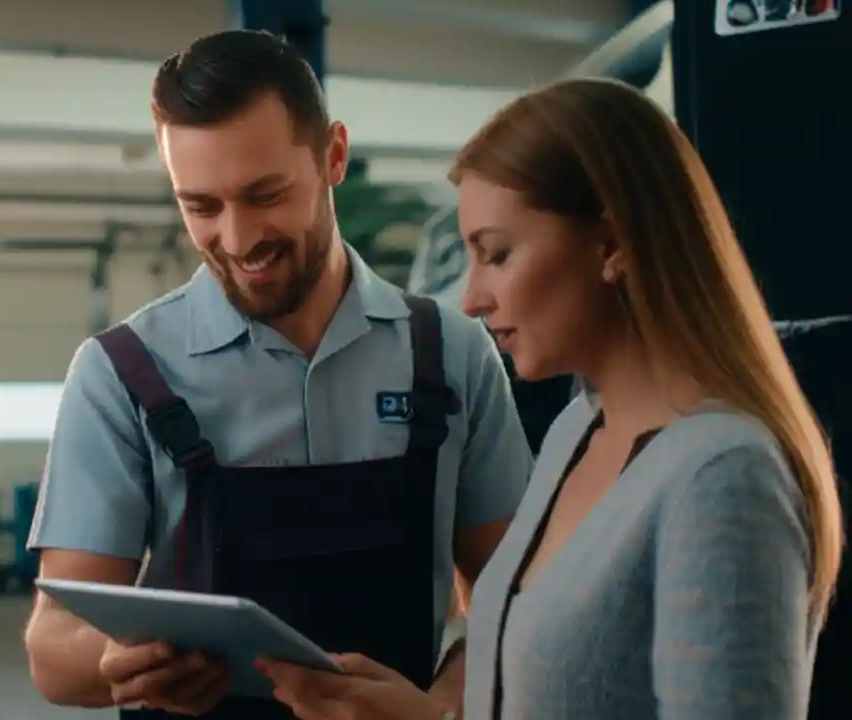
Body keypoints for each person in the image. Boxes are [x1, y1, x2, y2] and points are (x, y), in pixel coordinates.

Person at [259, 77, 844, 719]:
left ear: (612, 242)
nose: (472, 299)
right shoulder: (577, 427)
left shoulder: (723, 474)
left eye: (499, 254)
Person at [22, 29, 534, 720]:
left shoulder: (451, 355)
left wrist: (441, 704)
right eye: (201, 207)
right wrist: (118, 662)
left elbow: (520, 600)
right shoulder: (121, 374)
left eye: (265, 195)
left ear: (334, 156)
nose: (237, 240)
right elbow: (52, 646)